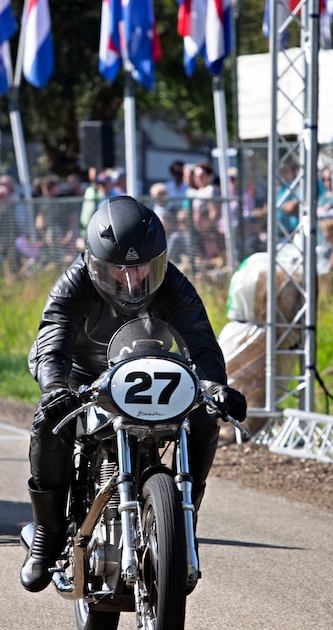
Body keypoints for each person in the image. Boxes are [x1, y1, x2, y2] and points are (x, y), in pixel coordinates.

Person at [19, 195, 247, 593]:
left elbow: (201, 344)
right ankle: (47, 535)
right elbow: (52, 340)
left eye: (142, 269)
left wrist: (215, 386)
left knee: (205, 418)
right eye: (118, 271)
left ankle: (181, 521)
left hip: (148, 369)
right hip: (81, 374)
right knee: (49, 421)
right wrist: (55, 388)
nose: (131, 282)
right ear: (94, 265)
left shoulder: (174, 284)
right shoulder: (74, 283)